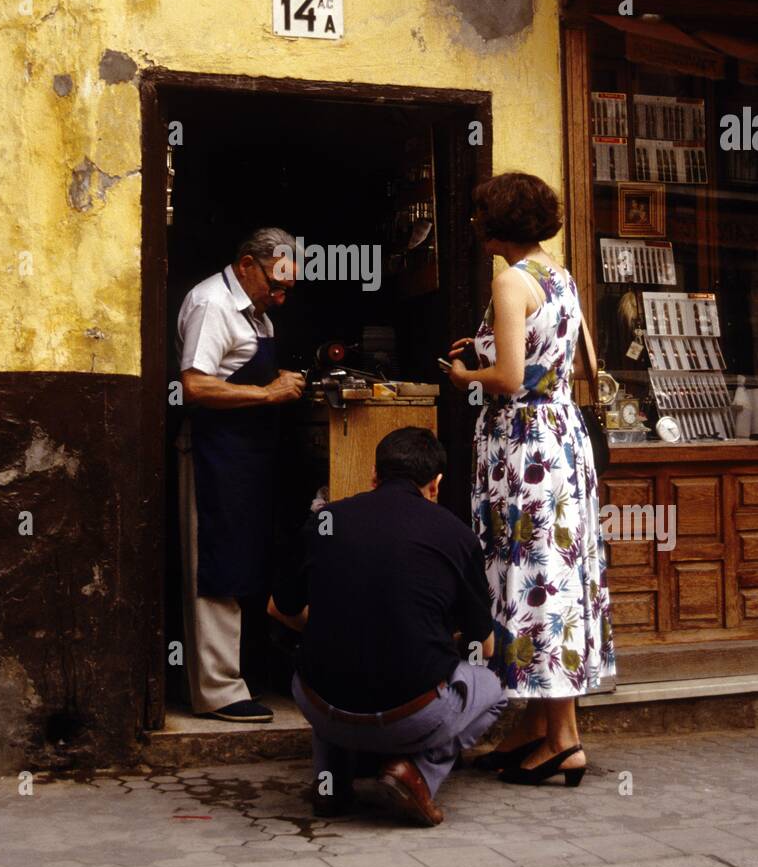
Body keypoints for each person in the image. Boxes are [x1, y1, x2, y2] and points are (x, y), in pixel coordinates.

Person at [446, 171, 616, 786]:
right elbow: (547, 356)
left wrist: (467, 376)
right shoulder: (558, 275)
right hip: (561, 438)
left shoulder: (508, 280)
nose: (473, 223)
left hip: (523, 444)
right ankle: (535, 728)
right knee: (552, 573)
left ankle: (563, 741)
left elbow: (513, 378)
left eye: (479, 214)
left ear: (500, 223)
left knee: (534, 577)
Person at [269, 427, 506, 827]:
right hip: (412, 718)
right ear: (436, 485)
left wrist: (336, 619)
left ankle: (330, 781)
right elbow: (483, 647)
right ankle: (417, 772)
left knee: (332, 653)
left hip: (322, 706)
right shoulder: (456, 535)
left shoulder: (324, 520)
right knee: (494, 689)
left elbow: (279, 609)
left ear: (374, 476)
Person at [176, 228, 306, 722]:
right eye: (275, 283)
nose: (280, 296)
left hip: (245, 454)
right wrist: (269, 394)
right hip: (213, 451)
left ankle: (242, 674)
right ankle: (217, 691)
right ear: (247, 264)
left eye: (288, 289)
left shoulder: (258, 314)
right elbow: (194, 386)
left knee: (243, 558)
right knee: (215, 565)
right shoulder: (212, 304)